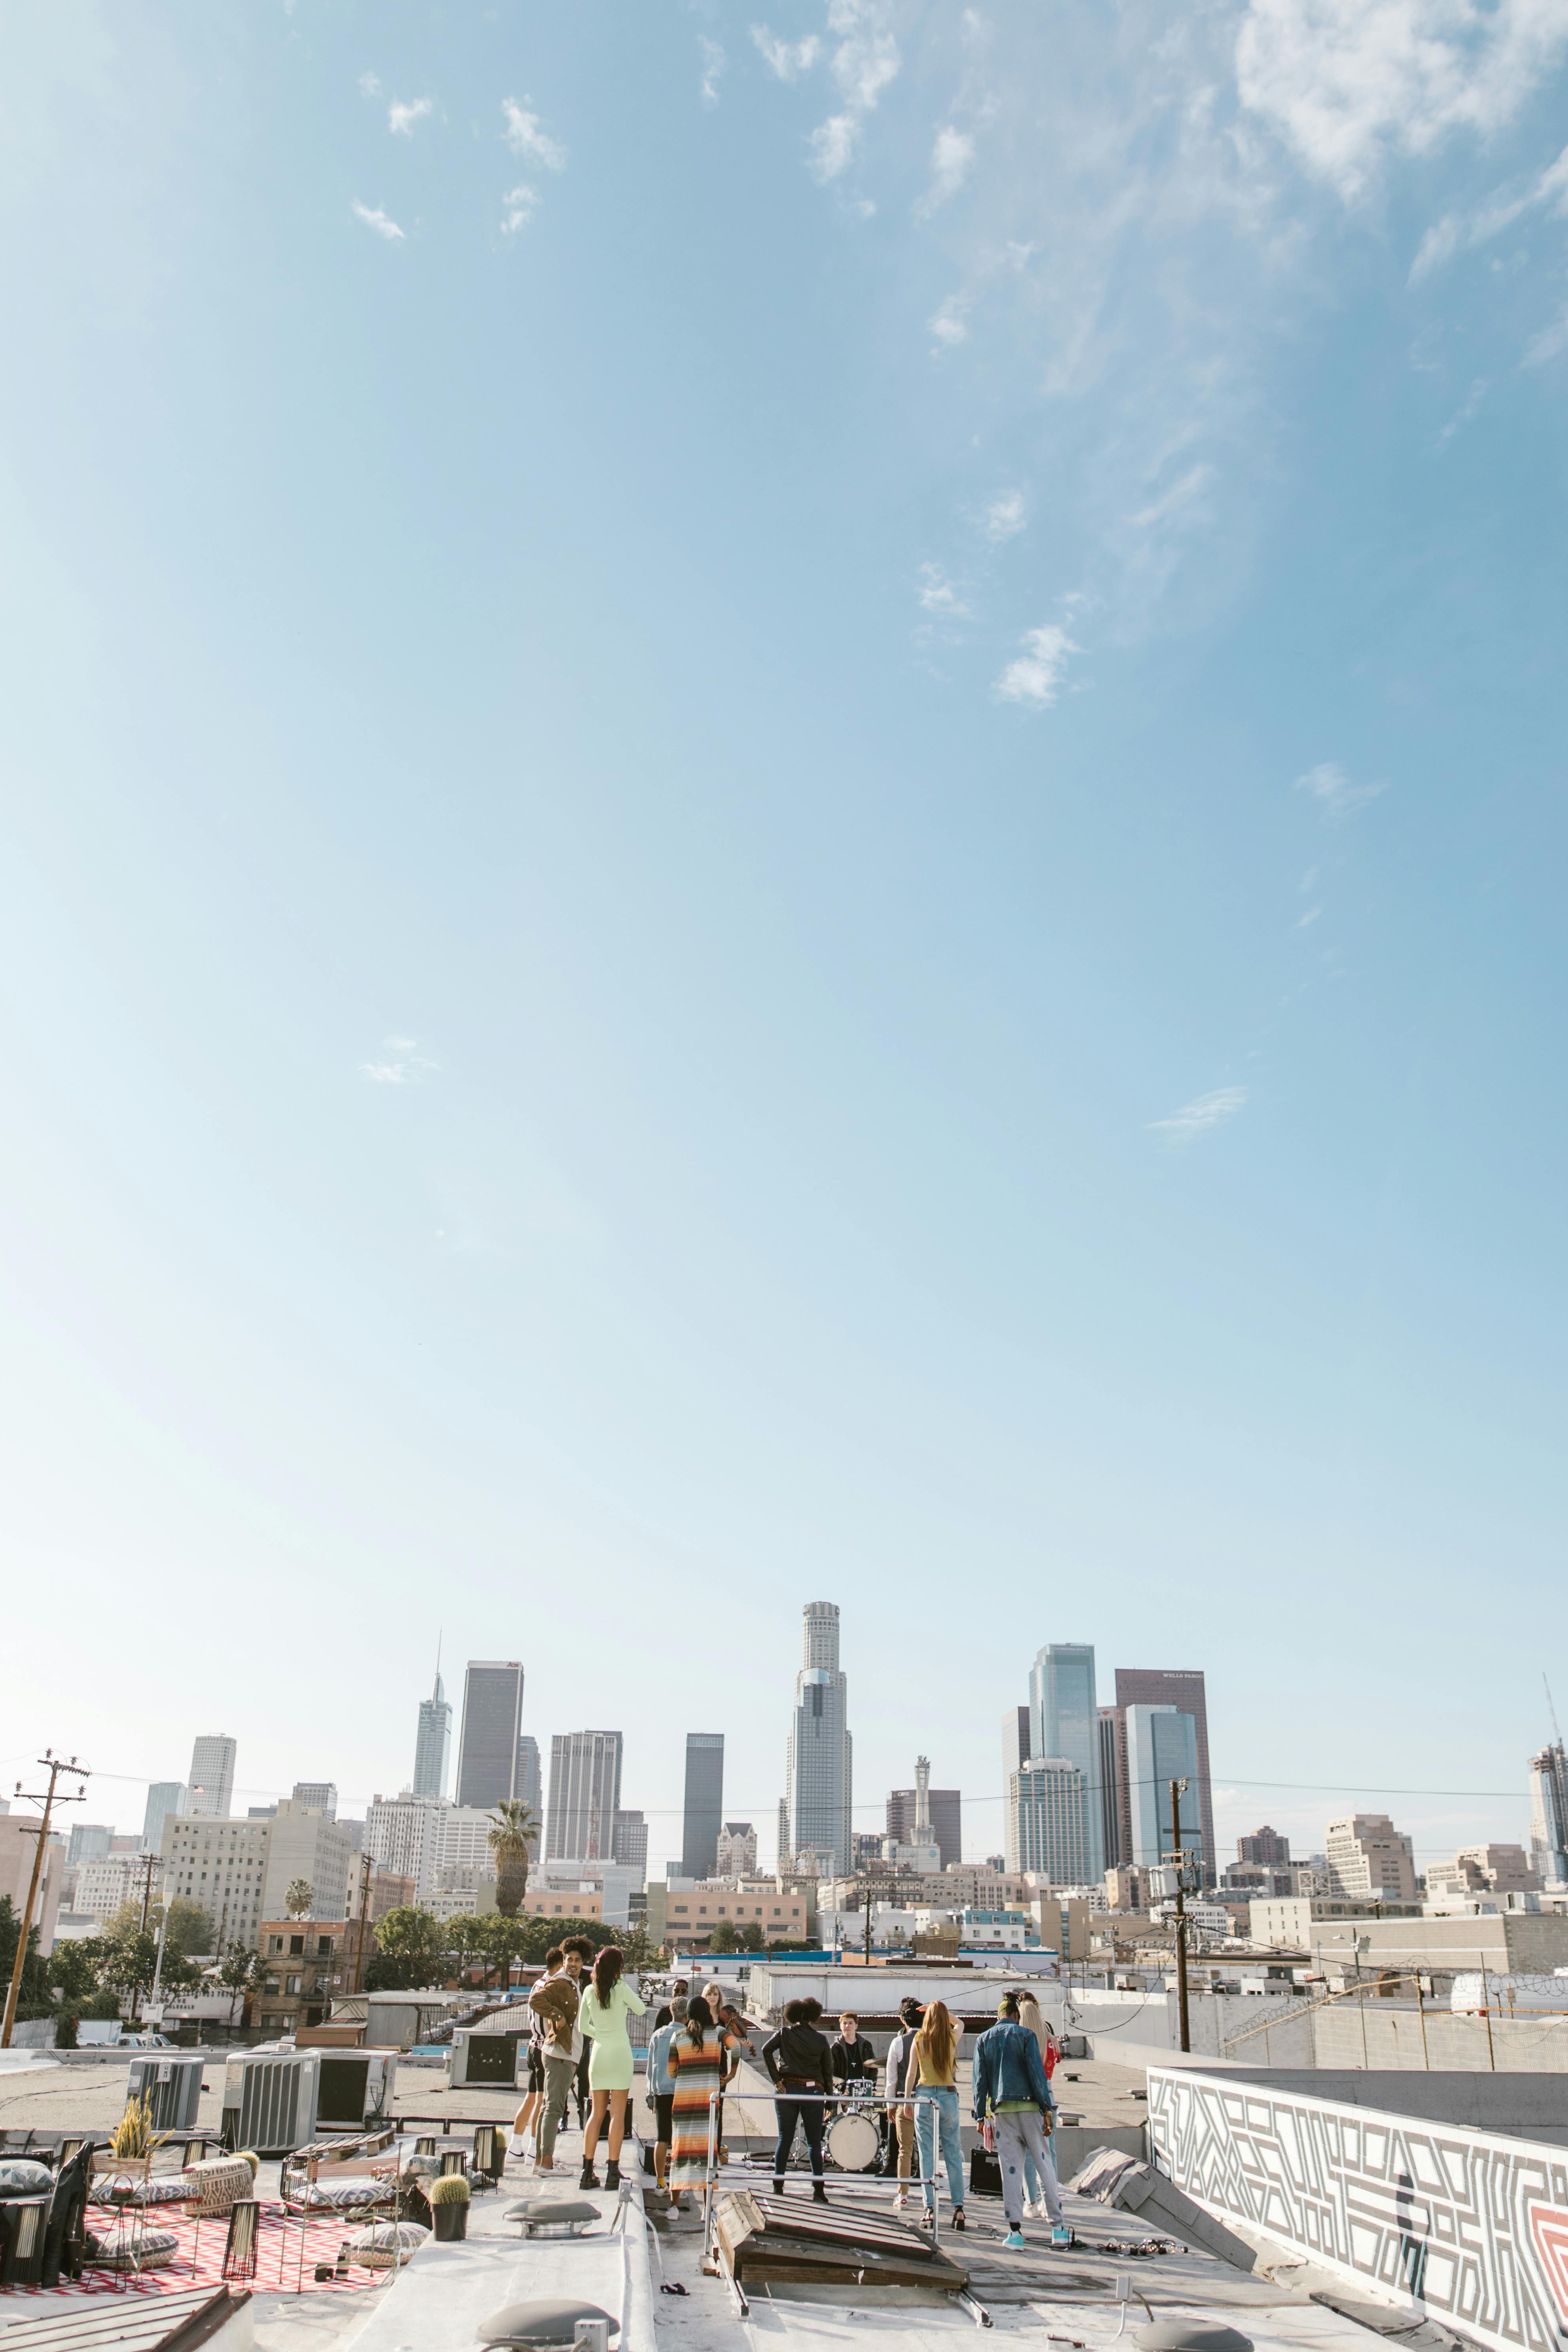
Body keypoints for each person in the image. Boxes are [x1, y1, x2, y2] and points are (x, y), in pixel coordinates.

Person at [972, 1992, 1067, 2251]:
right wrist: (1046, 2109)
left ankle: (1014, 2232)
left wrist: (980, 2115)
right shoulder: (1026, 2036)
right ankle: (1058, 2229)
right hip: (1030, 2109)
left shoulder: (983, 2039)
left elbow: (979, 2082)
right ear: (1015, 2016)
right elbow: (1037, 2075)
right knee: (1044, 2164)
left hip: (1003, 2112)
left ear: (998, 2016)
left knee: (1010, 2171)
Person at [578, 1943, 647, 2190]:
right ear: (618, 1968)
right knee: (617, 2114)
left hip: (598, 2055)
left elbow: (582, 2028)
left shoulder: (589, 1990)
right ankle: (613, 2172)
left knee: (596, 2114)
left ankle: (587, 2173)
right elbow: (641, 2009)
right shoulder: (621, 1988)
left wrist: (601, 2034)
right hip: (619, 2054)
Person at [667, 1987, 742, 2197]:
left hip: (683, 2103)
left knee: (681, 2150)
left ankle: (674, 2205)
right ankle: (706, 2209)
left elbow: (672, 2072)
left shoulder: (678, 2037)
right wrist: (731, 2075)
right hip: (709, 2103)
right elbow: (736, 2047)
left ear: (688, 2015)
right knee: (707, 2154)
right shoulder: (718, 2033)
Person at [903, 1997, 966, 2229]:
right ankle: (959, 2209)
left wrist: (908, 2100)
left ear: (927, 2019)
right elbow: (960, 2023)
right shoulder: (951, 2038)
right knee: (952, 2154)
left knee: (927, 2155)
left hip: (924, 2096)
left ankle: (930, 2208)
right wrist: (938, 2009)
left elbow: (911, 2074)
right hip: (949, 2097)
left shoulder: (919, 2039)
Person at [761, 1997, 832, 2201]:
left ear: (792, 2016)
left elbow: (766, 2050)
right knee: (814, 2143)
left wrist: (776, 2079)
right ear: (814, 2016)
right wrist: (830, 2101)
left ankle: (778, 2187)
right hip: (814, 2092)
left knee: (785, 2139)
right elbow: (828, 2072)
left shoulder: (784, 2034)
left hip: (787, 2089)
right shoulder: (821, 2040)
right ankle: (819, 2191)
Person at [527, 1945, 582, 2174]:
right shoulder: (560, 1981)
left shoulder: (573, 1983)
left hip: (560, 2054)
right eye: (570, 1959)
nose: (573, 1964)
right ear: (563, 1960)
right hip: (560, 2054)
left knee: (547, 2108)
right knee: (554, 2109)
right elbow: (536, 2001)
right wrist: (557, 2015)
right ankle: (547, 2163)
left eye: (578, 1960)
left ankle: (541, 2161)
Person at [511, 1945, 562, 2155]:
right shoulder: (551, 1987)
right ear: (559, 1966)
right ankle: (535, 2148)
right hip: (544, 2049)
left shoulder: (537, 1984)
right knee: (542, 2101)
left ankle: (515, 2147)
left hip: (532, 2045)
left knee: (530, 2098)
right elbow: (552, 2023)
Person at [1014, 1989, 1060, 2217]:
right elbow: (1056, 2062)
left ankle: (1031, 2202)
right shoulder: (1050, 2040)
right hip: (1049, 2097)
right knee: (1049, 2154)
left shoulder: (1021, 2040)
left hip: (1027, 2097)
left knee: (1029, 2154)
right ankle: (1051, 2201)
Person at [883, 1998, 924, 2207]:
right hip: (928, 2100)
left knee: (904, 2150)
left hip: (903, 2100)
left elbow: (891, 2078)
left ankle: (902, 2194)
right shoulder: (932, 2039)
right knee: (927, 2149)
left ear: (902, 2019)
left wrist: (889, 2105)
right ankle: (929, 2194)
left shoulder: (898, 2042)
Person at [645, 1996, 687, 2196]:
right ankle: (680, 2184)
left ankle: (660, 2182)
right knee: (681, 2140)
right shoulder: (687, 2035)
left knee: (662, 2138)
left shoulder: (658, 2035)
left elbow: (651, 2068)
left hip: (661, 2091)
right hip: (683, 2092)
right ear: (687, 2016)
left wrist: (650, 2094)